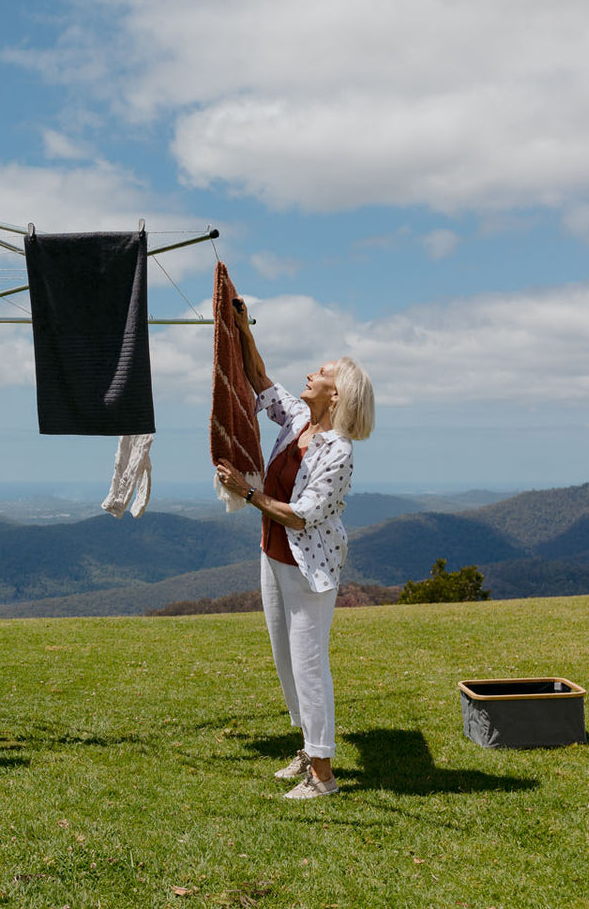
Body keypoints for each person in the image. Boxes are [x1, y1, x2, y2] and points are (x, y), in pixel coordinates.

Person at [215, 299, 374, 800]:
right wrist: (241, 328)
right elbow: (261, 380)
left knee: (309, 663)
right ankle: (309, 749)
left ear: (338, 392)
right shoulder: (302, 420)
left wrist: (247, 493)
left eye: (321, 372)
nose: (309, 374)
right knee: (285, 659)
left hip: (308, 569)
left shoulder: (339, 451)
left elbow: (301, 514)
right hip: (273, 555)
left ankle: (323, 776)